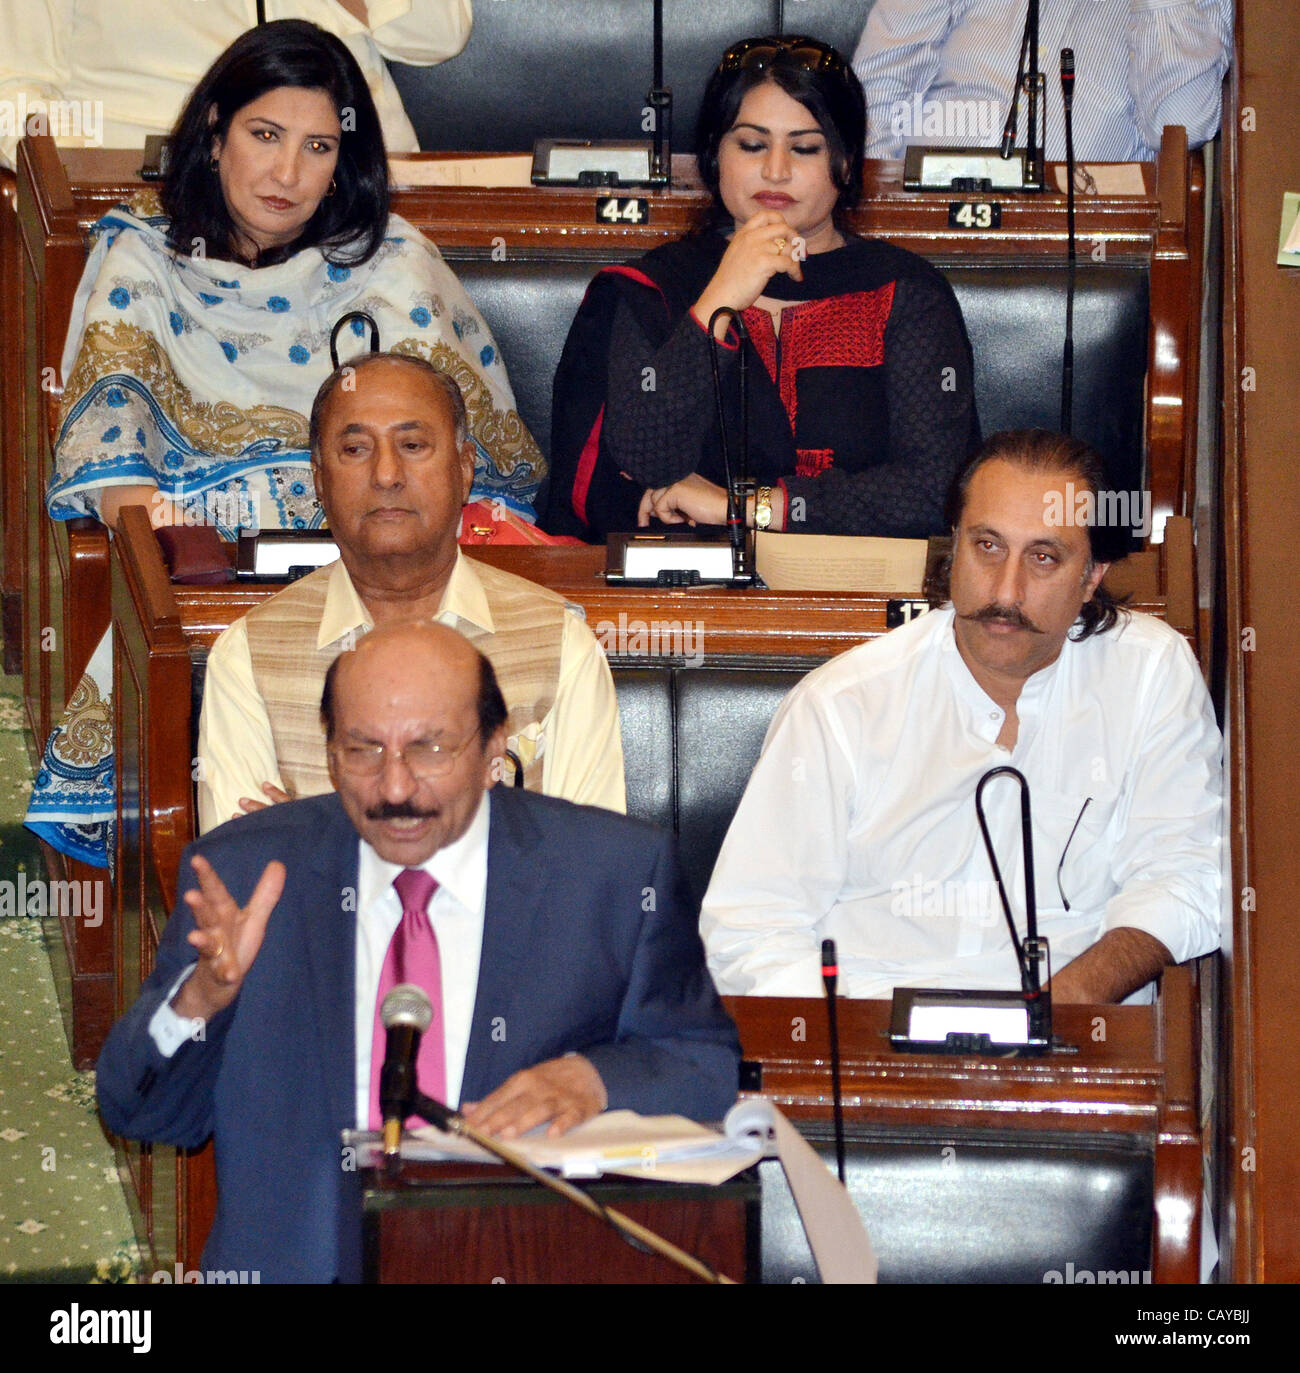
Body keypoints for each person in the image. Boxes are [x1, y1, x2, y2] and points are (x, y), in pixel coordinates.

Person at [27, 20, 547, 865]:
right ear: (214, 131)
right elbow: (120, 492)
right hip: (215, 590)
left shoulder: (394, 265)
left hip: (402, 581)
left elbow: (476, 476)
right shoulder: (141, 262)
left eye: (316, 147)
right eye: (264, 136)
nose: (286, 174)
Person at [97, 620, 740, 1282]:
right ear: (328, 750)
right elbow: (136, 1109)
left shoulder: (611, 875)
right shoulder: (245, 873)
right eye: (363, 749)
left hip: (514, 1260)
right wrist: (202, 999)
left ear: (494, 745)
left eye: (429, 747)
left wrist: (591, 1077)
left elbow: (708, 1066)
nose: (395, 787)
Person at [700, 429, 1222, 1003]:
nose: (1006, 590)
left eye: (1043, 557)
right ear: (955, 542)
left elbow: (1182, 878)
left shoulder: (1148, 674)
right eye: (988, 547)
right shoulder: (843, 704)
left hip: (1075, 1041)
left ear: (1092, 575)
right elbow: (749, 931)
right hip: (870, 1038)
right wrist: (864, 1047)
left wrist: (1064, 1008)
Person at [544, 33, 978, 542]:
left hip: (862, 596)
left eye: (805, 148)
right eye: (751, 145)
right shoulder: (650, 289)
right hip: (686, 594)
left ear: (846, 162)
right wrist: (719, 300)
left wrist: (748, 507)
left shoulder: (906, 291)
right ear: (714, 155)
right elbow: (643, 465)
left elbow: (937, 493)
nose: (776, 170)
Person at [196, 351, 625, 831]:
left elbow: (592, 875)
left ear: (464, 469)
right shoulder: (248, 655)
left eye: (413, 445)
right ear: (319, 478)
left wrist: (313, 837)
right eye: (356, 449)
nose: (386, 474)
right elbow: (243, 879)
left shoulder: (561, 644)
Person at [0, 0, 472, 172]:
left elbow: (438, 34)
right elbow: (11, 97)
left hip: (352, 185)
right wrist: (100, 175)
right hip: (152, 198)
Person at [851, 0, 1233, 164]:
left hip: (1080, 253)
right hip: (925, 233)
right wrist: (884, 233)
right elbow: (879, 92)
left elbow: (1181, 127)